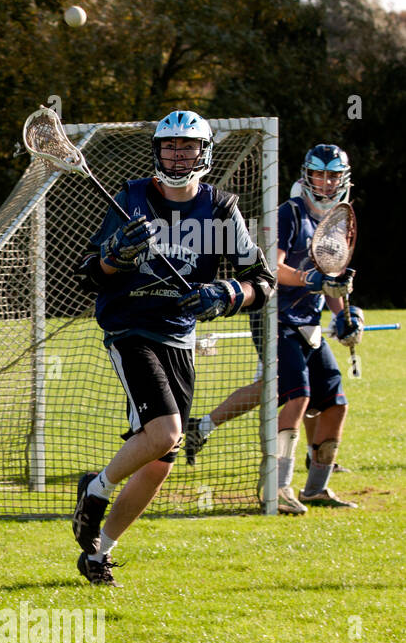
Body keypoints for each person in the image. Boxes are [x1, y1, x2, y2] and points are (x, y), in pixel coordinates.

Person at [71, 110, 275, 584]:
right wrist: (113, 257)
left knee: (159, 464)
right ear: (157, 151)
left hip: (180, 335)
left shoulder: (221, 208)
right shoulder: (131, 197)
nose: (178, 155)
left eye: (188, 147)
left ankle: (98, 554)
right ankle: (95, 490)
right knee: (165, 433)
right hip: (132, 329)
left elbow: (261, 281)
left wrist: (223, 295)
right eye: (170, 146)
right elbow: (88, 275)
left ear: (204, 152)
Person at [182, 145, 361, 510]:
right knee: (296, 395)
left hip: (307, 322)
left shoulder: (338, 224)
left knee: (335, 402)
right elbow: (273, 270)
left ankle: (316, 487)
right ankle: (277, 488)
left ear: (342, 180)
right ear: (306, 175)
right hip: (274, 317)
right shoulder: (290, 213)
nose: (325, 184)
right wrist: (307, 279)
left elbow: (330, 282)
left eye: (332, 176)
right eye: (319, 175)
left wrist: (343, 315)